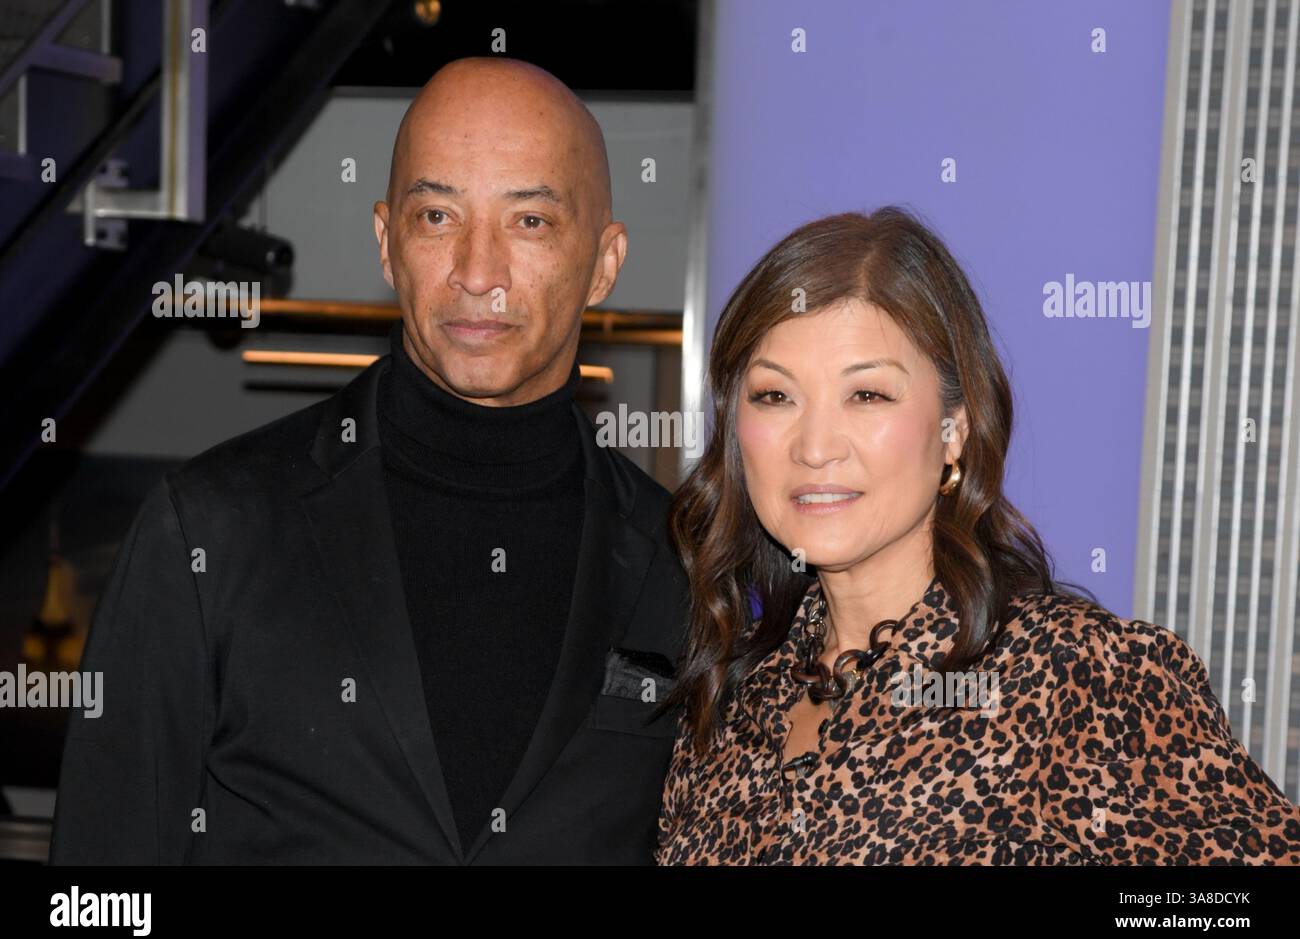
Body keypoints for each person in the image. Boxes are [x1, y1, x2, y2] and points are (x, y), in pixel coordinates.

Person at [50, 57, 687, 865]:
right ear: (387, 243)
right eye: (436, 217)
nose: (477, 272)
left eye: (529, 222)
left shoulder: (683, 566)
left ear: (605, 261)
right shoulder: (211, 530)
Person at [655, 207, 1300, 865]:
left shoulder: (1081, 679)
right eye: (774, 396)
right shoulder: (730, 706)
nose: (815, 447)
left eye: (869, 395)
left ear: (954, 430)